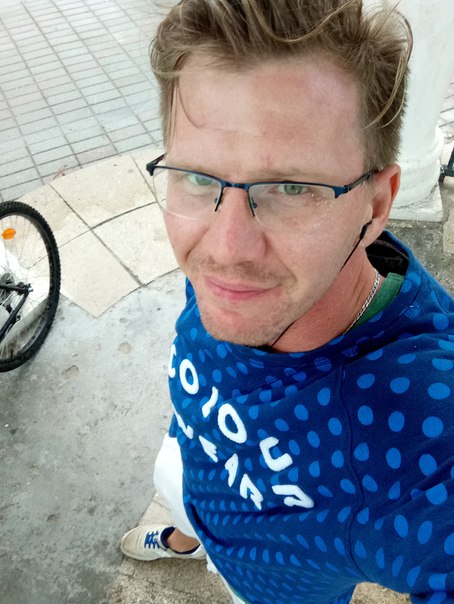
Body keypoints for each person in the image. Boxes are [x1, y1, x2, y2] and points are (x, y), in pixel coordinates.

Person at [120, 1, 454, 602]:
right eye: (198, 177)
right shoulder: (247, 269)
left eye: (292, 188)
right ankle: (189, 537)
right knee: (177, 483)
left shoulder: (418, 430)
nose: (226, 249)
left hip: (267, 586)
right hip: (195, 458)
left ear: (377, 206)